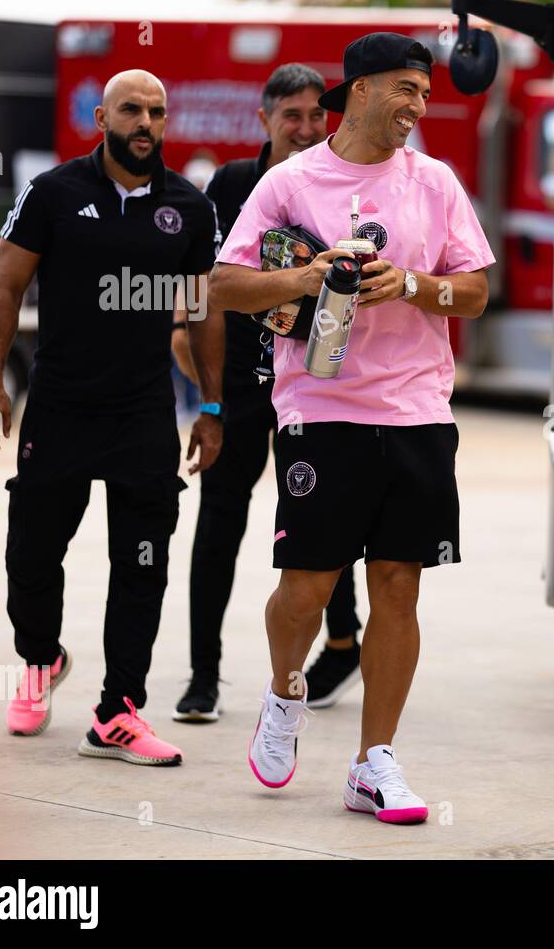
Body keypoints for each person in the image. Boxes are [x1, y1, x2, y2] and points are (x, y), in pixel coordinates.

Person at [207, 32, 493, 822]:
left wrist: (414, 284)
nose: (417, 107)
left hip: (418, 412)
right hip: (321, 410)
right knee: (306, 587)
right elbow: (225, 286)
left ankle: (374, 765)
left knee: (398, 589)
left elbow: (472, 294)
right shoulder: (289, 181)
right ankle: (284, 691)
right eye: (406, 89)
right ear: (360, 90)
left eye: (425, 93)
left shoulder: (435, 182)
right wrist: (302, 276)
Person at [0, 69, 225, 765]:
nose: (146, 122)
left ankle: (119, 710)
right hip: (58, 405)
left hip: (143, 411)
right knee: (30, 553)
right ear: (102, 119)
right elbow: (4, 288)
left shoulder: (189, 208)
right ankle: (40, 657)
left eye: (158, 111)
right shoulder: (53, 194)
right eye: (132, 110)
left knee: (142, 563)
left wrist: (210, 404)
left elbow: (203, 311)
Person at [170, 63, 365, 724]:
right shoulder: (231, 184)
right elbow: (209, 287)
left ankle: (342, 646)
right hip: (242, 387)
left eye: (318, 115)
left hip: (316, 387)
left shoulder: (343, 184)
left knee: (322, 524)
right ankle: (203, 675)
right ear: (265, 120)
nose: (309, 128)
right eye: (293, 116)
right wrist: (209, 396)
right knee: (218, 525)